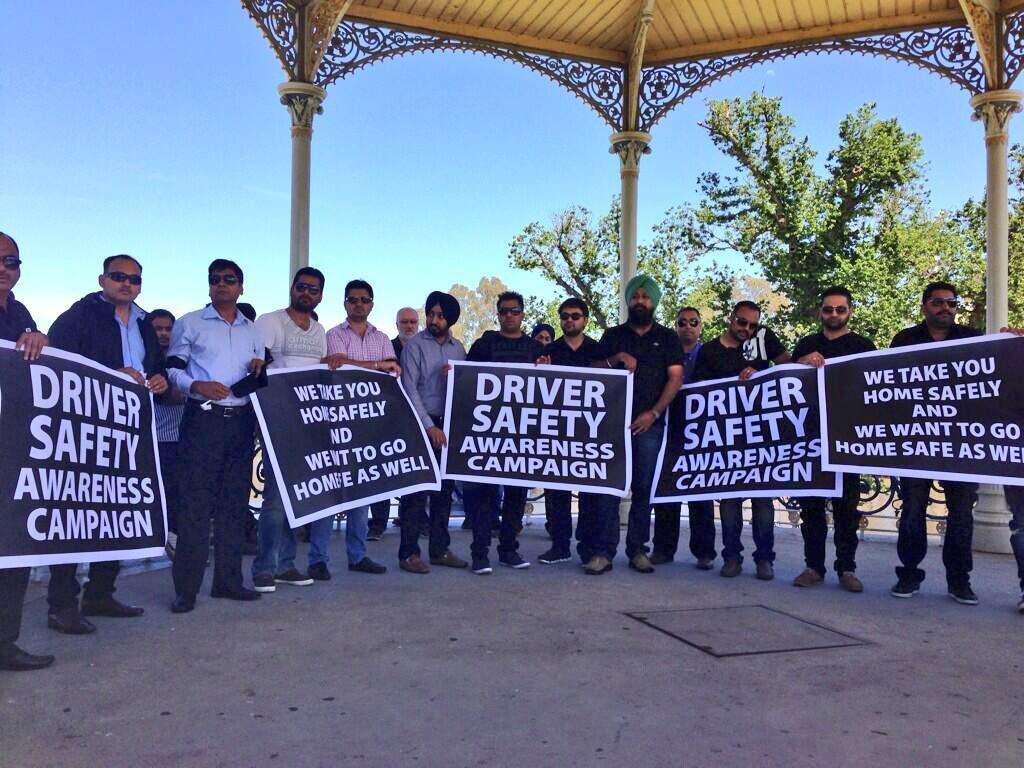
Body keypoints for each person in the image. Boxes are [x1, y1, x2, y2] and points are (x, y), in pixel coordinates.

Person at [46, 254, 166, 632]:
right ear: (103, 279)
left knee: (116, 511)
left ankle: (101, 593)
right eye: (118, 277)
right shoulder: (78, 316)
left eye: (134, 279)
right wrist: (111, 374)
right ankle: (61, 604)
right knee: (76, 517)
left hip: (130, 429)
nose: (126, 284)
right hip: (85, 428)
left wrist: (159, 378)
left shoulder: (146, 322)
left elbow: (156, 363)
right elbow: (56, 361)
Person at [166, 259, 266, 613]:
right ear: (209, 286)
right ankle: (186, 590)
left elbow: (258, 368)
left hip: (240, 422)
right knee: (194, 506)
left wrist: (259, 366)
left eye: (229, 280)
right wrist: (196, 384)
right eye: (215, 280)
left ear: (241, 286)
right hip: (202, 421)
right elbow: (172, 369)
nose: (221, 284)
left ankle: (228, 581)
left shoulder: (253, 330)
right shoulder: (190, 323)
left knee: (234, 505)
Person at [889, 281, 984, 605]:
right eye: (938, 302)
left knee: (961, 513)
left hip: (961, 443)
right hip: (916, 442)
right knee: (913, 509)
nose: (946, 308)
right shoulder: (905, 340)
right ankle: (909, 574)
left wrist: (1011, 343)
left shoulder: (973, 338)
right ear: (924, 306)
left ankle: (959, 580)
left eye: (951, 303)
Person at [590, 275, 684, 575]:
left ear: (654, 301)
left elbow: (676, 378)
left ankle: (638, 550)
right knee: (608, 488)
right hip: (611, 426)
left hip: (649, 426)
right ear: (628, 300)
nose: (640, 301)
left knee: (644, 488)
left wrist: (654, 414)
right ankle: (603, 552)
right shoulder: (613, 335)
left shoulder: (668, 338)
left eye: (646, 296)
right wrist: (615, 358)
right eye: (635, 296)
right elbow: (590, 371)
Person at [252, 268, 337, 590]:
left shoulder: (320, 330)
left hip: (310, 423)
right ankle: (264, 567)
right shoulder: (270, 322)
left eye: (313, 290)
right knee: (275, 497)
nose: (307, 293)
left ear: (320, 295)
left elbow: (320, 372)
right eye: (302, 287)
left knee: (296, 497)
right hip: (278, 420)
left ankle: (286, 565)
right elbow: (258, 362)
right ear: (292, 288)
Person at [693, 300, 790, 580]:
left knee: (763, 501)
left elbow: (788, 370)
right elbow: (699, 392)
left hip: (760, 435)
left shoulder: (765, 339)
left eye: (752, 324)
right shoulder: (709, 351)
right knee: (729, 502)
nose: (746, 328)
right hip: (725, 437)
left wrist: (763, 375)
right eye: (741, 322)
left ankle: (764, 559)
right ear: (730, 318)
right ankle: (731, 557)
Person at [791, 287, 876, 593]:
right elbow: (788, 382)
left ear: (849, 312)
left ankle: (847, 568)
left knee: (847, 509)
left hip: (849, 438)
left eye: (841, 309)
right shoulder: (807, 344)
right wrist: (802, 362)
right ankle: (813, 566)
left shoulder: (863, 346)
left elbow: (875, 388)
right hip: (812, 437)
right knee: (811, 507)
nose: (834, 314)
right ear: (820, 312)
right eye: (828, 309)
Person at [0, 232, 54, 671]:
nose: (4, 267)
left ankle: (5, 643)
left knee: (13, 547)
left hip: (13, 447)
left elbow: (38, 363)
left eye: (12, 261)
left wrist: (38, 338)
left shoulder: (18, 312)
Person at [464, 291, 544, 574]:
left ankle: (509, 550)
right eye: (504, 311)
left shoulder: (536, 348)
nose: (509, 315)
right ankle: (480, 554)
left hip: (522, 434)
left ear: (523, 314)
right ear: (498, 315)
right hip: (489, 433)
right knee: (486, 497)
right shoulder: (485, 344)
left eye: (514, 311)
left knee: (516, 496)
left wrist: (547, 371)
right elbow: (466, 380)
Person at [324, 279, 399, 575]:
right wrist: (378, 366)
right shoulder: (333, 334)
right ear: (344, 303)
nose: (358, 304)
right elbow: (340, 366)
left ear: (372, 304)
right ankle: (319, 559)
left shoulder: (382, 338)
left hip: (372, 422)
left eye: (364, 299)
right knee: (330, 492)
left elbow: (393, 372)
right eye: (353, 299)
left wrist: (381, 367)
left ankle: (358, 556)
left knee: (362, 493)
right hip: (338, 420)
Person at [395, 291, 469, 573]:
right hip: (418, 423)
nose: (434, 320)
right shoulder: (414, 346)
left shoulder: (458, 348)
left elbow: (464, 388)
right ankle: (409, 554)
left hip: (448, 425)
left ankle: (439, 549)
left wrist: (454, 380)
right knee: (415, 492)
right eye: (431, 314)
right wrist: (429, 426)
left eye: (440, 315)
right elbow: (409, 388)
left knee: (443, 492)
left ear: (450, 318)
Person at [535, 298, 605, 567]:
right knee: (556, 493)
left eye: (575, 316)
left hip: (590, 432)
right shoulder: (549, 351)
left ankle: (587, 548)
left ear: (585, 319)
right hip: (556, 431)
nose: (569, 321)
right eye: (564, 316)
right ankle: (559, 545)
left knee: (589, 494)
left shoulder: (599, 351)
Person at [651, 306, 716, 569]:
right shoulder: (664, 352)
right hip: (669, 428)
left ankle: (705, 552)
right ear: (675, 326)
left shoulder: (710, 354)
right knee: (666, 492)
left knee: (701, 493)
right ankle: (664, 549)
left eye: (693, 322)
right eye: (682, 322)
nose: (687, 326)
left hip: (702, 433)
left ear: (701, 327)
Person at [146, 309, 187, 560]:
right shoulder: (144, 359)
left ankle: (175, 541)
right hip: (152, 438)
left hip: (180, 438)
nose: (163, 333)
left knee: (176, 493)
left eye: (168, 328)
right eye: (157, 328)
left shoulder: (181, 359)